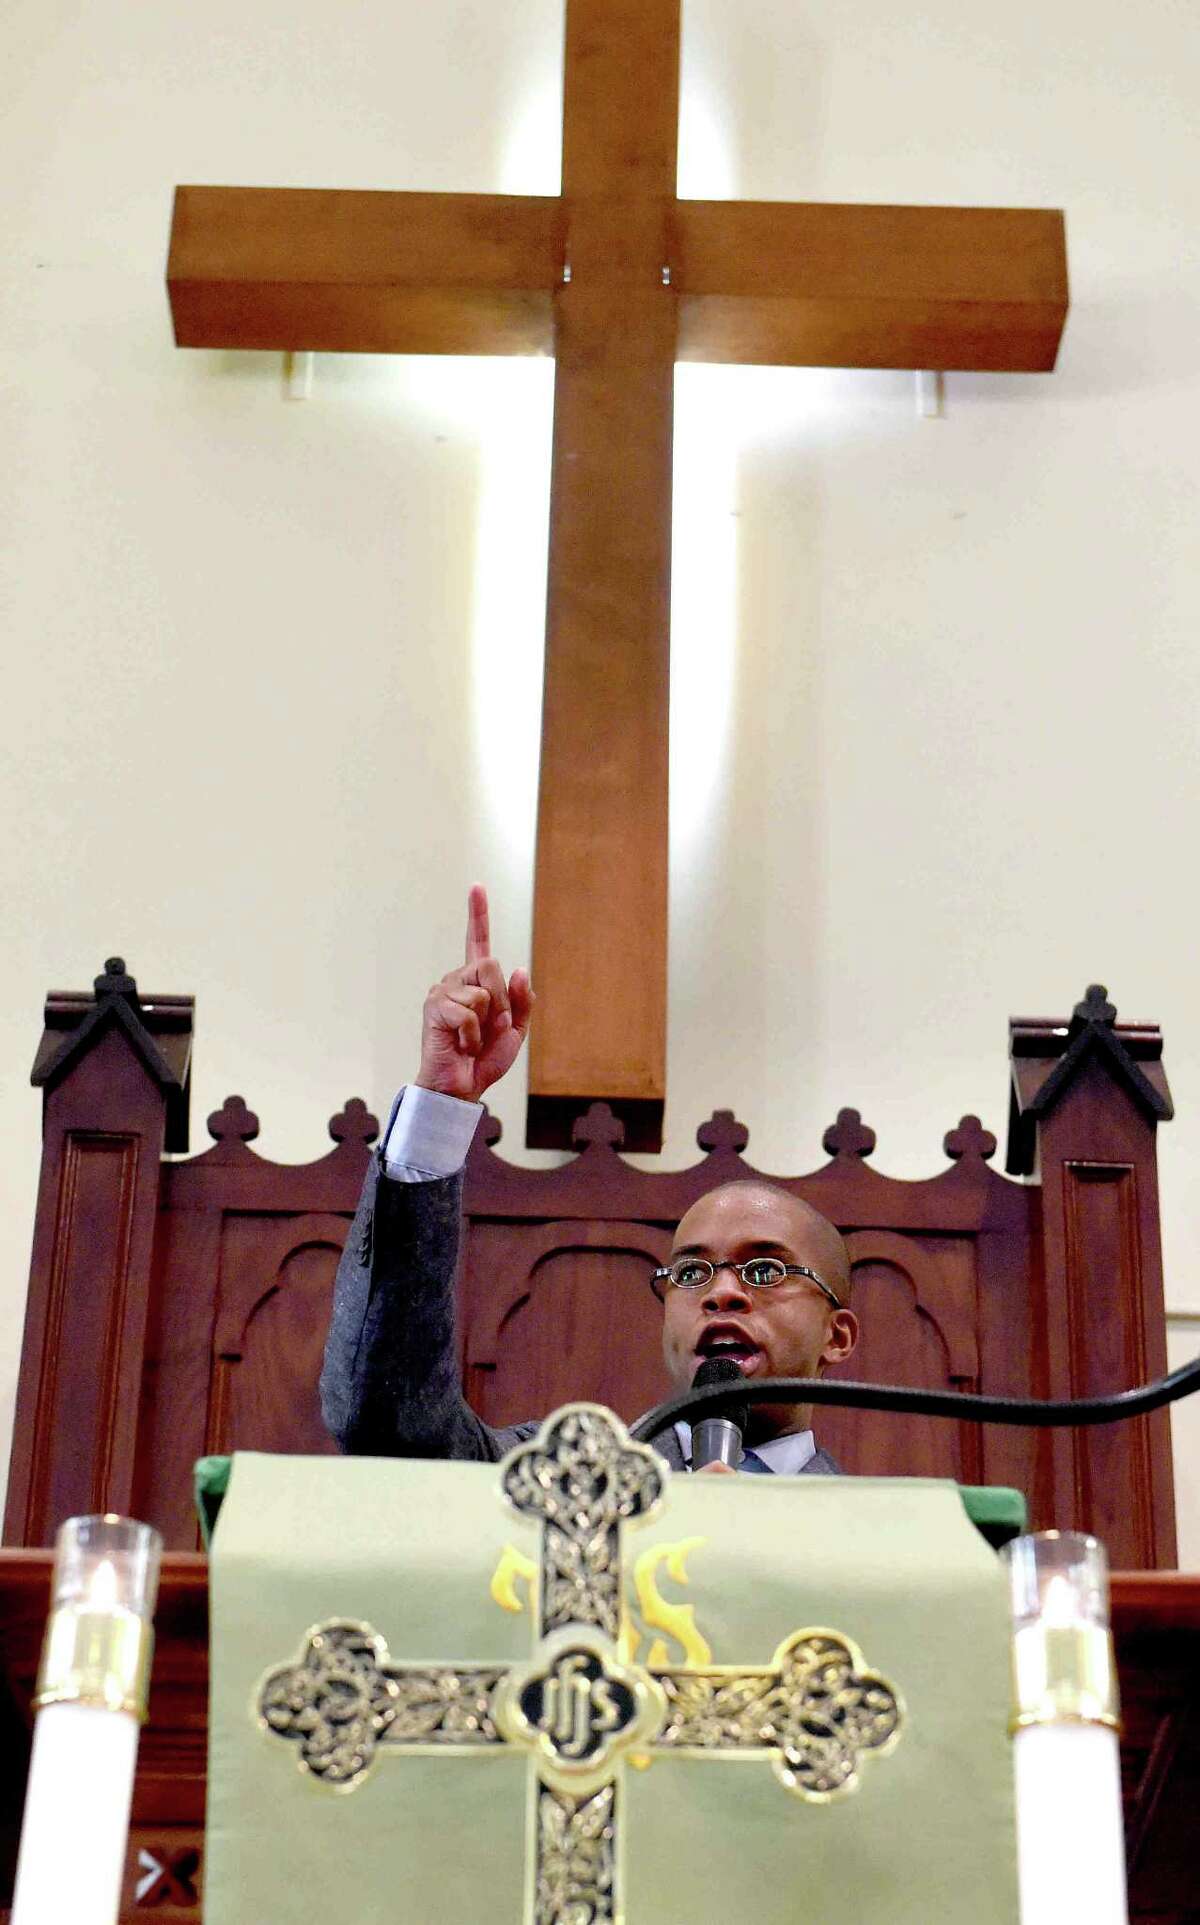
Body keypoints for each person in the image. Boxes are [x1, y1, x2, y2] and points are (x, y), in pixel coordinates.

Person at [321, 886, 859, 1475]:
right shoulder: (562, 1480)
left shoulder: (889, 1542)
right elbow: (392, 1426)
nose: (720, 1293)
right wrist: (441, 1108)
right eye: (691, 1272)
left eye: (765, 1270)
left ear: (838, 1335)